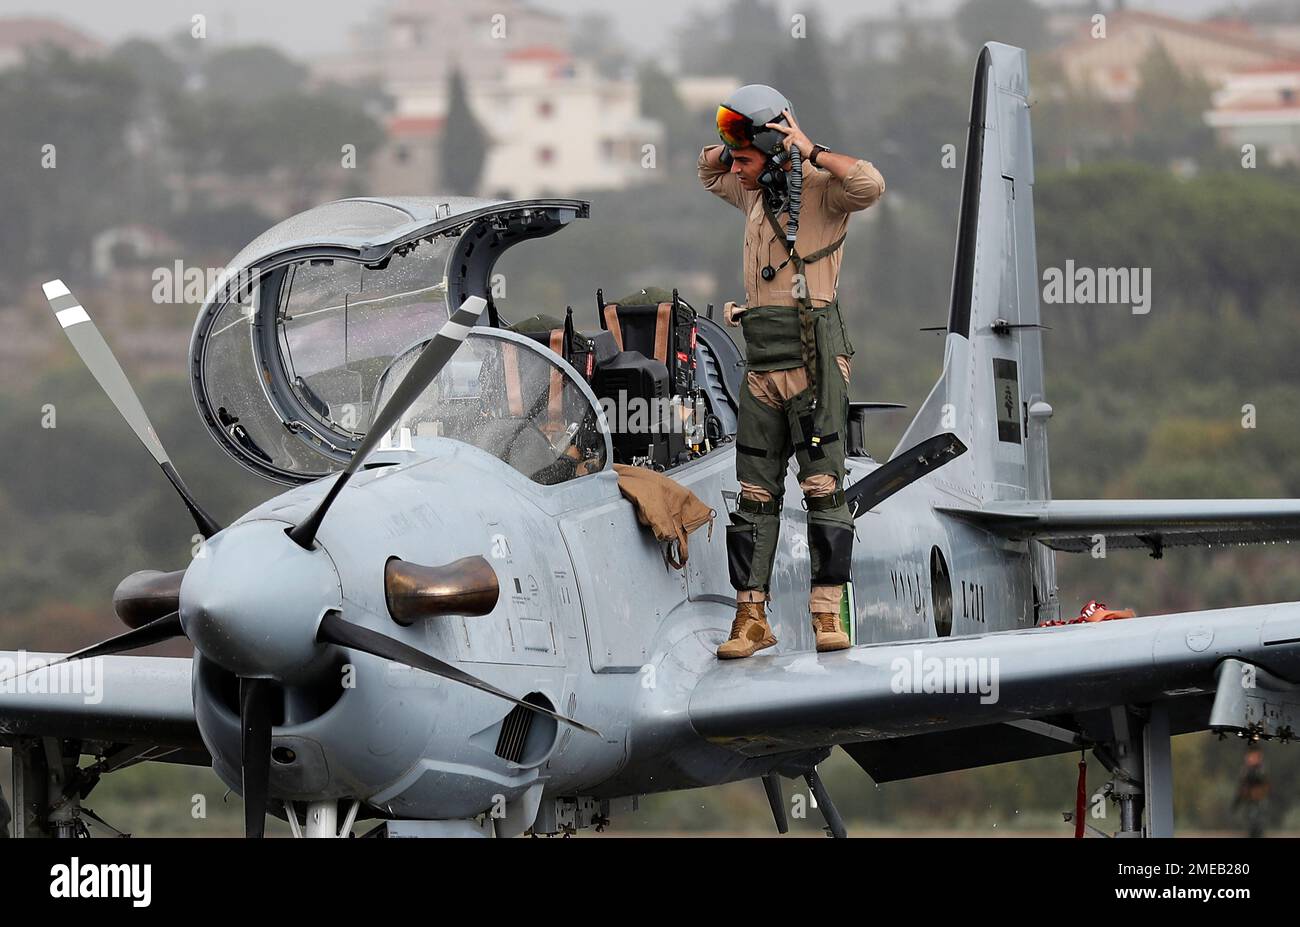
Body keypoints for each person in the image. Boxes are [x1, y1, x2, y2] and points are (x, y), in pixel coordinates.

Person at [698, 84, 884, 658]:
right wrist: (740, 139)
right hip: (761, 362)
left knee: (823, 487)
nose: (737, 170)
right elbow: (708, 172)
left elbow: (870, 184)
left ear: (777, 155)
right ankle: (750, 618)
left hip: (813, 360)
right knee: (754, 492)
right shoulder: (753, 193)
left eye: (746, 160)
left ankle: (827, 616)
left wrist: (807, 148)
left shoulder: (825, 193)